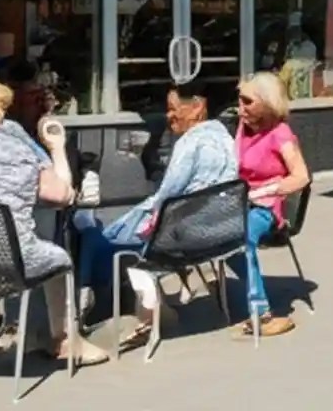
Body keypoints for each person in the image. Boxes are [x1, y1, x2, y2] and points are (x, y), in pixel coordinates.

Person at [0, 79, 108, 366]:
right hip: (7, 262)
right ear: (3, 113)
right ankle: (64, 340)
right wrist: (57, 147)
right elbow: (63, 195)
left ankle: (17, 330)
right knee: (57, 257)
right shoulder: (17, 147)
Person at [73, 80, 237, 350]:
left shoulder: (190, 143)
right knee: (111, 229)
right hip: (219, 227)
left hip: (184, 233)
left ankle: (105, 306)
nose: (168, 115)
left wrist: (131, 222)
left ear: (198, 107)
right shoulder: (224, 137)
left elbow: (166, 196)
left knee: (95, 233)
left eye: (174, 109)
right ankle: (136, 303)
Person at [230, 72, 310, 339]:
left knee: (243, 237)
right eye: (240, 100)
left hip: (267, 207)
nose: (241, 108)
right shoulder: (242, 128)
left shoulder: (280, 134)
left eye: (248, 102)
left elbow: (301, 176)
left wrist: (268, 190)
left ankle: (261, 311)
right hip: (239, 200)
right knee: (214, 235)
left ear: (267, 103)